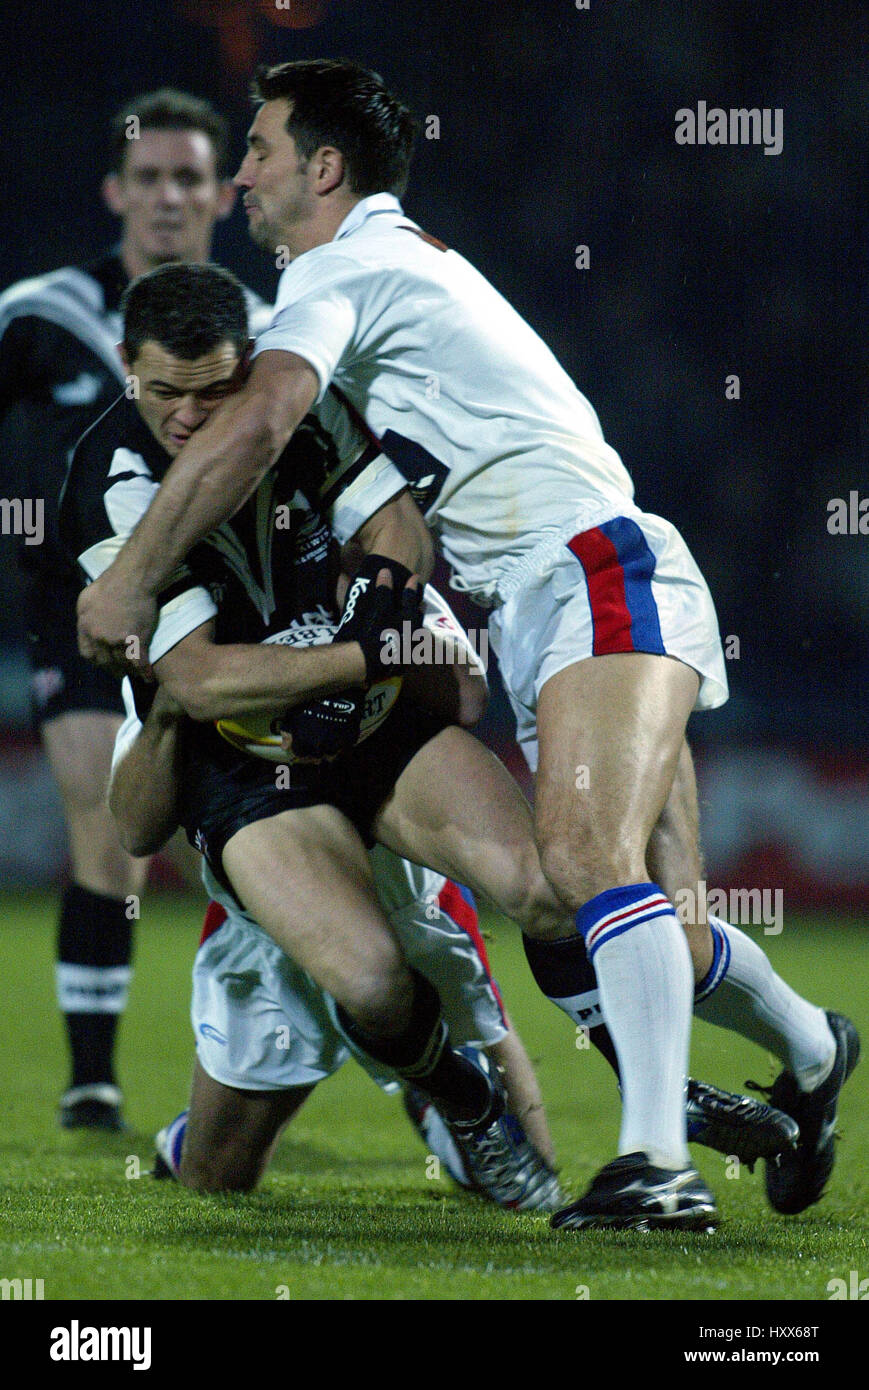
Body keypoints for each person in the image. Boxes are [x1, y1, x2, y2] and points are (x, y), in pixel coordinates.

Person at [75, 62, 860, 1228]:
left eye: (260, 147)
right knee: (620, 908)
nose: (241, 174)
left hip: (589, 566)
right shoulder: (390, 265)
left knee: (585, 870)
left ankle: (654, 1162)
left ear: (323, 169)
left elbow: (263, 422)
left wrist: (133, 577)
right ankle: (811, 1050)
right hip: (543, 595)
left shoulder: (340, 268)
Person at [0, 88, 270, 1131]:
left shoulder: (260, 334)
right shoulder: (41, 313)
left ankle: (294, 1043)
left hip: (219, 612)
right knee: (106, 828)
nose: (168, 197)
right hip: (77, 604)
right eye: (148, 177)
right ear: (115, 192)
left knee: (246, 839)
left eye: (188, 178)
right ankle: (92, 1083)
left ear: (222, 195)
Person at [109, 677, 562, 1211]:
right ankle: (437, 1077)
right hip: (272, 930)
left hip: (408, 904)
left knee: (528, 1180)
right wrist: (170, 705)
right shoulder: (186, 647)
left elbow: (465, 691)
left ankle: (434, 1083)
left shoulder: (371, 616)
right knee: (214, 1176)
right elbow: (137, 828)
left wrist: (368, 650)